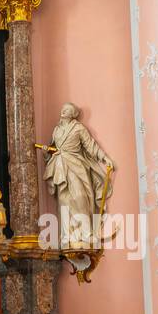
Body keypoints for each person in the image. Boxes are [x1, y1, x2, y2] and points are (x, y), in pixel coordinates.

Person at [43, 103, 114, 249]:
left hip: (76, 165)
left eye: (68, 110)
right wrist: (46, 152)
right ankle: (67, 236)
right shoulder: (56, 130)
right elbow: (52, 150)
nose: (63, 111)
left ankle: (87, 233)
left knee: (80, 197)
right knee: (63, 201)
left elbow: (90, 145)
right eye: (63, 108)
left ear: (73, 114)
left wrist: (104, 158)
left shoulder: (78, 128)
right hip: (60, 167)